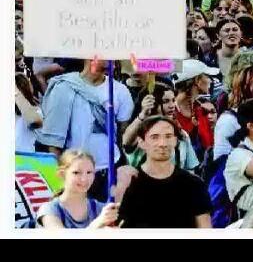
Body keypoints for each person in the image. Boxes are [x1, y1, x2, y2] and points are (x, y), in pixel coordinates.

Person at [36, 59, 134, 202]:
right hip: (75, 174)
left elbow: (122, 134)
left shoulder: (120, 90)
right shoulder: (64, 87)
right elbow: (54, 141)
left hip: (110, 170)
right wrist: (63, 181)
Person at [118, 116, 213, 228]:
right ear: (141, 142)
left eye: (168, 136)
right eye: (154, 137)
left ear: (175, 141)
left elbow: (205, 228)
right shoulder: (128, 184)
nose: (162, 143)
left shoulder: (194, 184)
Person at [36, 150, 119, 229]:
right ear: (62, 174)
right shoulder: (49, 209)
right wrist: (97, 224)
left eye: (89, 172)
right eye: (76, 173)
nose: (84, 179)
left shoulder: (101, 209)